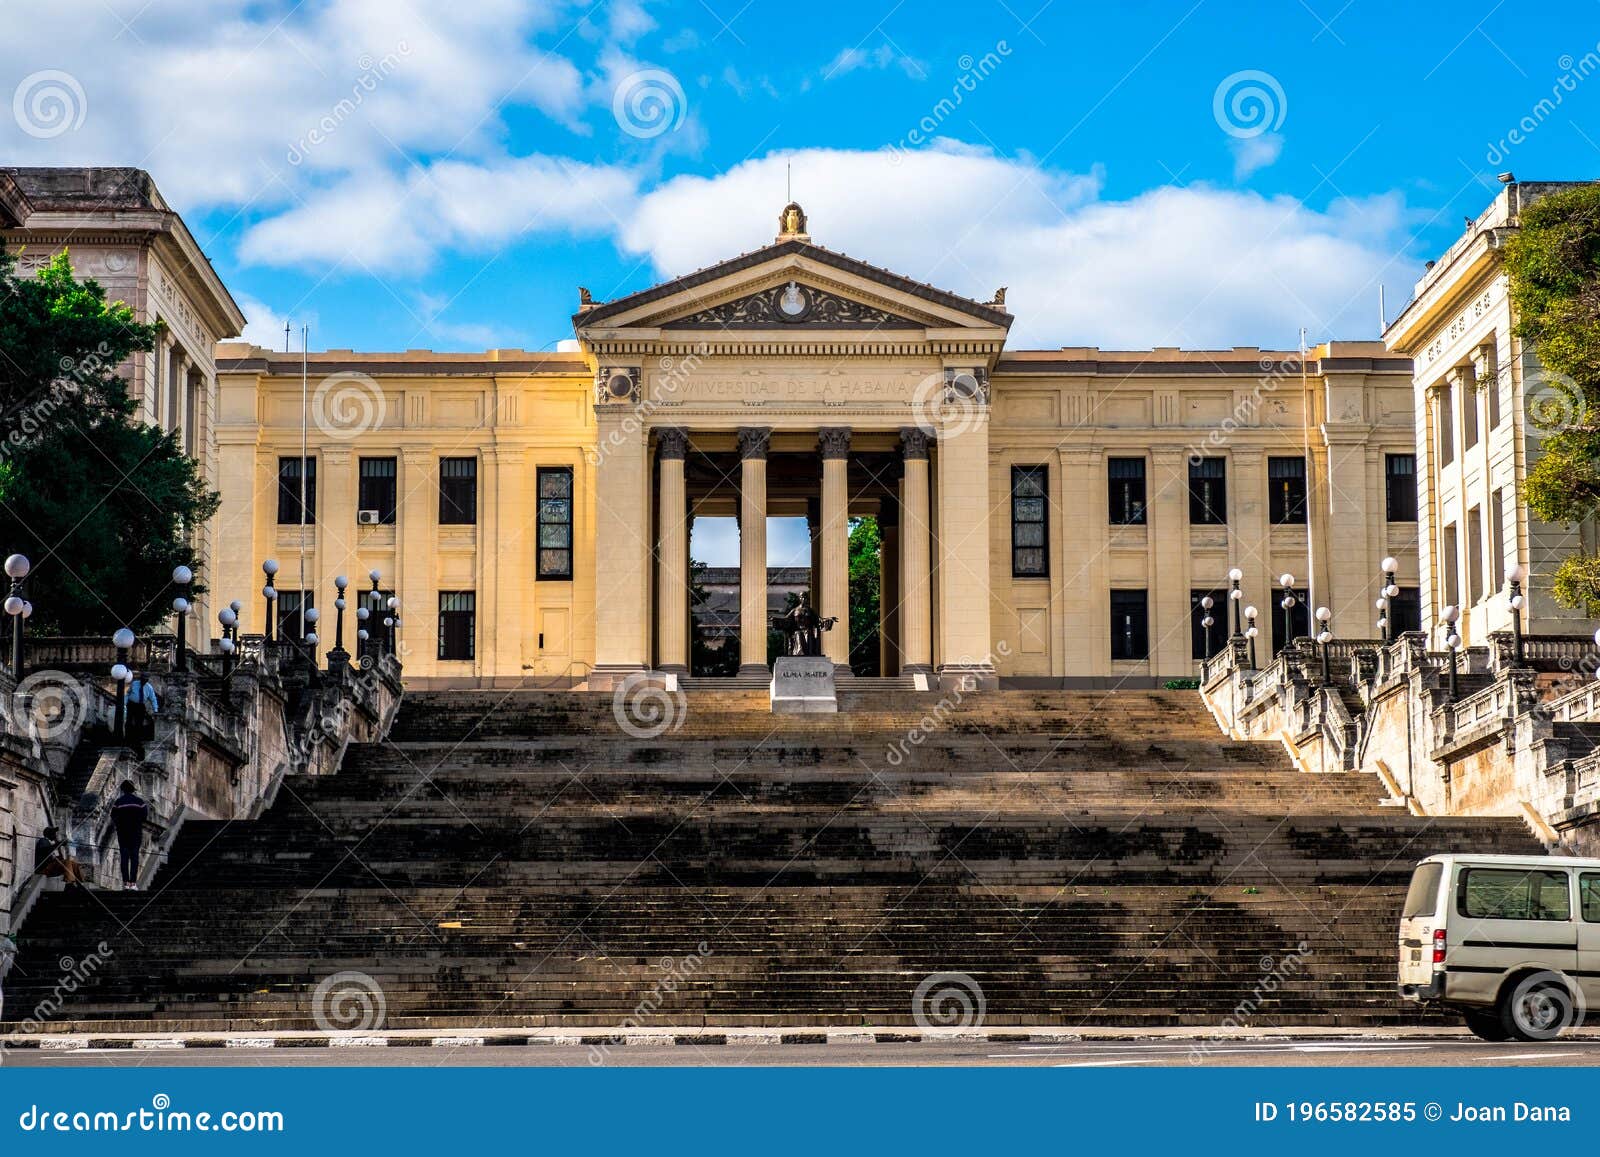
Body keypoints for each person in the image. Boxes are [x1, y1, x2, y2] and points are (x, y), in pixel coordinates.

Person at [111, 780, 149, 891]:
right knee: (134, 858)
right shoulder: (140, 802)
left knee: (124, 857)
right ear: (133, 789)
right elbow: (144, 816)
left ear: (123, 790)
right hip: (136, 832)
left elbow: (113, 816)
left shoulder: (118, 802)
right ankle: (133, 883)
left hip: (122, 833)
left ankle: (125, 883)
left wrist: (121, 824)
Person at [124, 670, 159, 758]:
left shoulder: (149, 688)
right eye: (143, 679)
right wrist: (125, 703)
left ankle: (137, 741)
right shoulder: (135, 683)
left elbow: (153, 699)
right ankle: (127, 740)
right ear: (141, 678)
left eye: (146, 680)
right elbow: (128, 693)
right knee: (128, 722)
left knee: (139, 724)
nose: (144, 681)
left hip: (140, 706)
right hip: (131, 704)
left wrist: (155, 710)